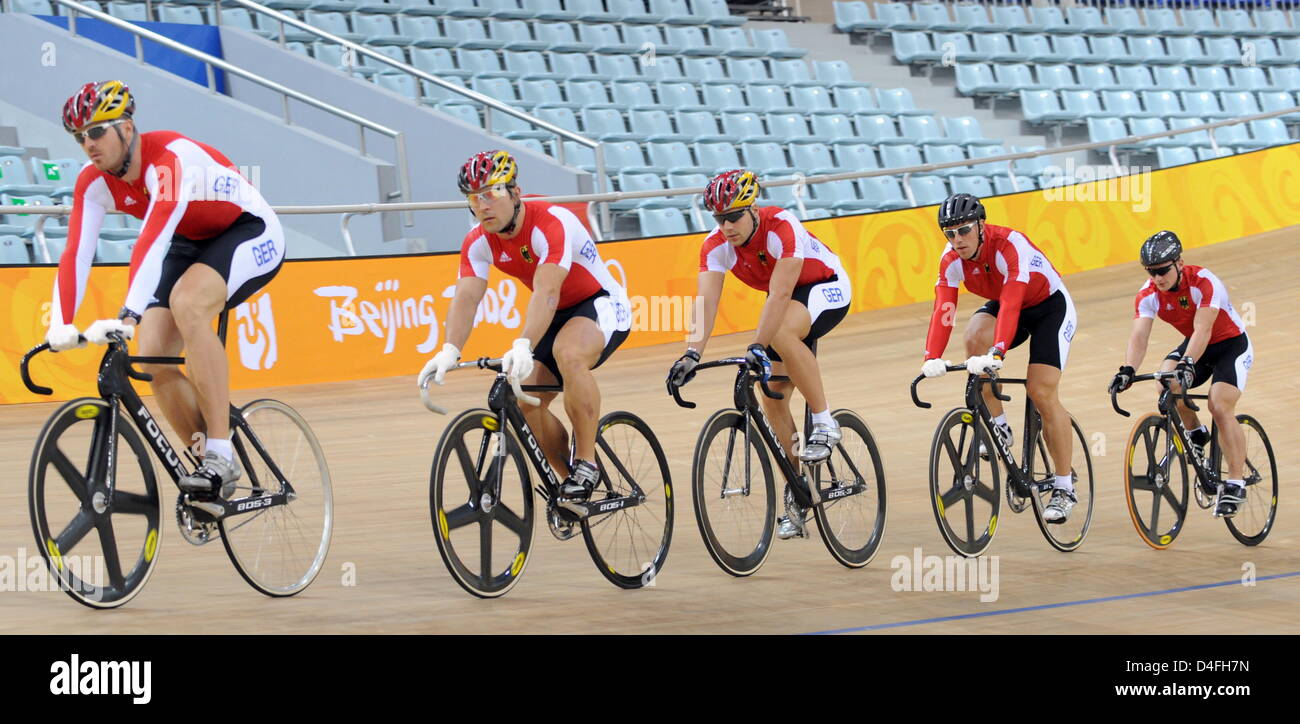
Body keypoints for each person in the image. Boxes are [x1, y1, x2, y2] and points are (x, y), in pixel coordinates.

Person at [45, 80, 286, 499]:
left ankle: (220, 451)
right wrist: (61, 323)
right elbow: (76, 254)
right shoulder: (93, 182)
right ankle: (207, 471)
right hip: (188, 240)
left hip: (247, 229)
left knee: (188, 304)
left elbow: (151, 243)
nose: (88, 144)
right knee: (152, 354)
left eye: (97, 131)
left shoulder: (168, 161)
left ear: (127, 128)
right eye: (79, 136)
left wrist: (128, 315)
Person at [418, 150, 631, 512]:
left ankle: (587, 463)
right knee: (523, 400)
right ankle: (570, 486)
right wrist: (449, 349)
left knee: (569, 353)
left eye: (492, 193)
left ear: (515, 193)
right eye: (474, 197)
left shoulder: (551, 221)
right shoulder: (478, 241)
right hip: (555, 315)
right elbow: (467, 296)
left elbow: (548, 293)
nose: (482, 205)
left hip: (599, 303)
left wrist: (523, 343)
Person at [666, 169, 852, 540]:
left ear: (752, 209)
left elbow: (782, 296)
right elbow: (706, 301)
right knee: (774, 398)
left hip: (825, 287)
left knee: (779, 333)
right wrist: (691, 353)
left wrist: (757, 345)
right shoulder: (715, 247)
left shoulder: (782, 225)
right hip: (784, 302)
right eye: (719, 218)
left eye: (734, 216)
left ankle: (826, 421)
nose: (727, 226)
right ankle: (799, 491)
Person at [919, 193, 1079, 522]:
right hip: (1008, 304)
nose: (957, 240)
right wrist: (931, 356)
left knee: (1041, 391)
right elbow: (944, 310)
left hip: (1049, 307)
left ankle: (1064, 487)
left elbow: (1011, 302)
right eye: (949, 234)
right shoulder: (950, 259)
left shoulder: (1010, 245)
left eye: (963, 230)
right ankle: (1000, 426)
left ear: (980, 225)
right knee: (973, 335)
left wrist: (998, 353)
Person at [1108, 231, 1253, 518]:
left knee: (1219, 403)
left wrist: (1187, 363)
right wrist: (1128, 369)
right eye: (1151, 272)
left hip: (1230, 345)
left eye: (1162, 270)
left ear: (1179, 263)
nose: (1158, 278)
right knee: (1165, 381)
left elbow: (1204, 330)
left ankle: (1235, 483)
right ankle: (1195, 432)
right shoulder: (1148, 294)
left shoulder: (1204, 283)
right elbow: (1139, 336)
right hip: (1196, 345)